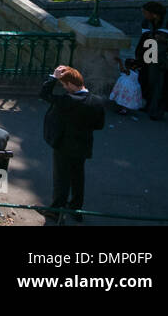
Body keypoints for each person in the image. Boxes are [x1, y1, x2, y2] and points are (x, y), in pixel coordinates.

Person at [40, 65, 105, 223]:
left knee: (61, 179)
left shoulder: (68, 100)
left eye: (64, 85)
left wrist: (53, 78)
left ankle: (56, 211)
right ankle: (76, 208)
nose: (64, 88)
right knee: (78, 177)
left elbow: (44, 94)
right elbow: (99, 125)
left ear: (70, 84)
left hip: (63, 145)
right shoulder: (97, 101)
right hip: (83, 145)